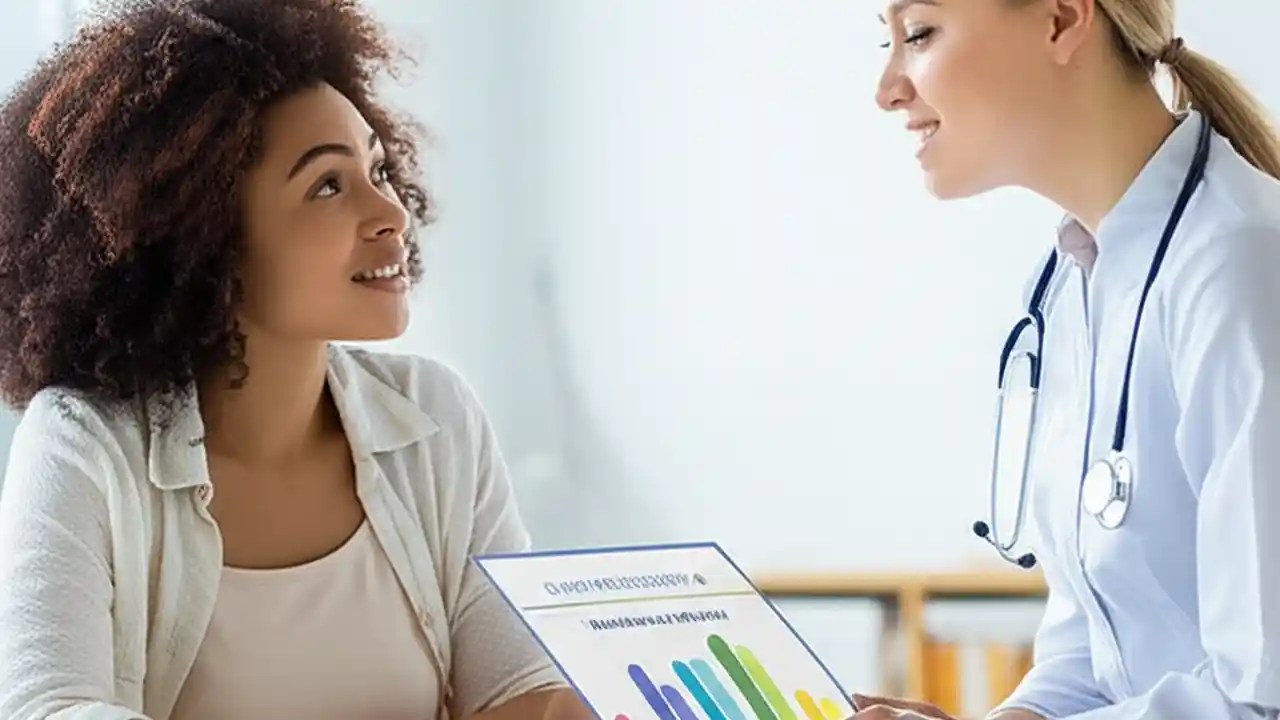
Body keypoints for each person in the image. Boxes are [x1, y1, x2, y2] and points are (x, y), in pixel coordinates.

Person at [0, 2, 593, 719]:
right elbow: (49, 707)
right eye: (328, 186)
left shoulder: (439, 420)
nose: (392, 213)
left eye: (376, 169)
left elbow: (522, 695)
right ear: (207, 237)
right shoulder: (83, 442)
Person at [855, 0, 1280, 719]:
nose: (887, 88)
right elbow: (1095, 650)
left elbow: (1262, 699)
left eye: (918, 34)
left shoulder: (1236, 267)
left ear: (1060, 19)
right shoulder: (1072, 284)